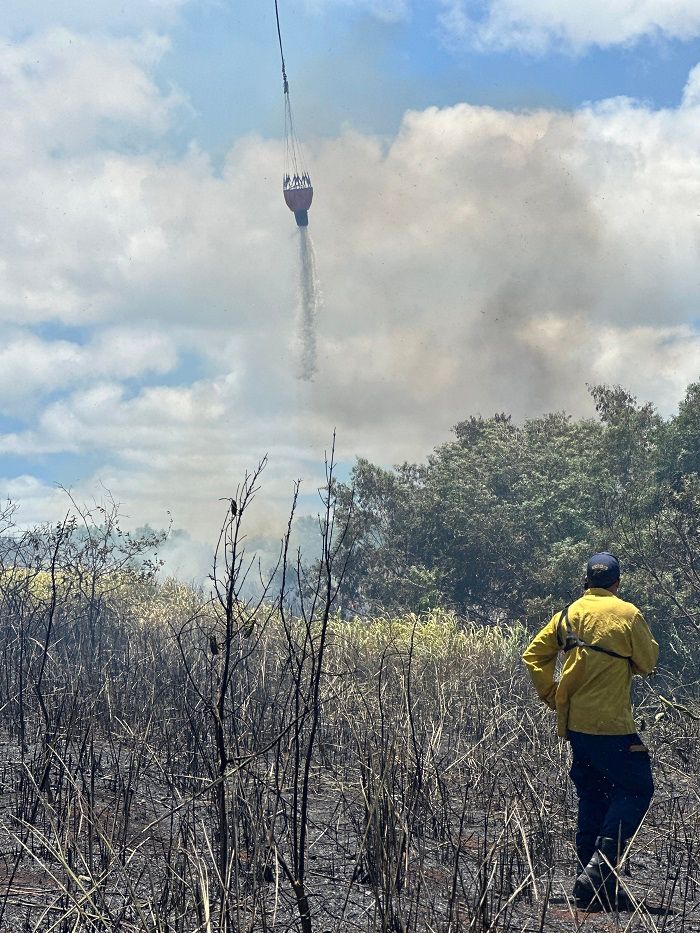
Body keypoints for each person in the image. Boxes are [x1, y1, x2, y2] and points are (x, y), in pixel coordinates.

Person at [523, 553, 659, 911]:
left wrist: (552, 694)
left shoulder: (568, 615)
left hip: (577, 727)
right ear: (617, 583)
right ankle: (599, 871)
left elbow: (533, 655)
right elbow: (648, 663)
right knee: (638, 787)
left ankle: (591, 887)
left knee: (594, 796)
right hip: (613, 726)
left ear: (586, 582)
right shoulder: (628, 614)